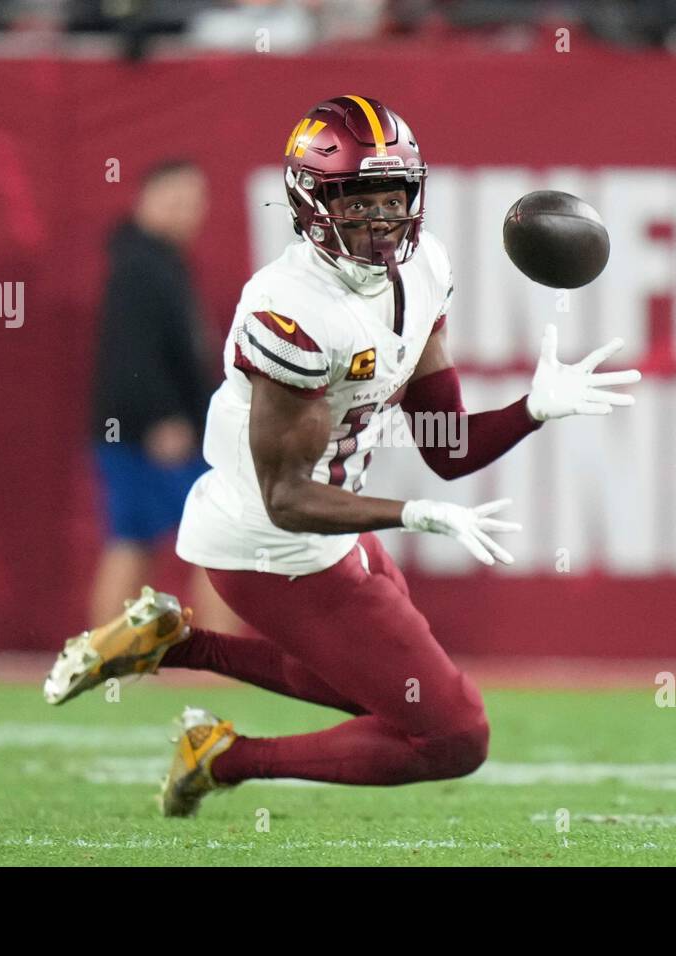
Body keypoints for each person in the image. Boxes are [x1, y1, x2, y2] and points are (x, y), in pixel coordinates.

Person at [47, 96, 639, 817]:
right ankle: (225, 756)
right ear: (311, 201)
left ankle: (173, 644)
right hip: (266, 542)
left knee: (389, 694)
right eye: (356, 199)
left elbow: (446, 448)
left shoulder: (423, 270)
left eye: (393, 196)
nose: (380, 218)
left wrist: (532, 409)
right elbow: (286, 498)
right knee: (454, 736)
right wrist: (411, 514)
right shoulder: (290, 308)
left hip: (330, 527)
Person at [87, 160, 240, 634]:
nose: (187, 211)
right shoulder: (141, 267)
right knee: (218, 540)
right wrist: (162, 418)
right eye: (175, 199)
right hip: (155, 434)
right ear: (145, 201)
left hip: (149, 431)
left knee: (134, 540)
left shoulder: (158, 263)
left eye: (194, 201)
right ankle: (224, 663)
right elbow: (131, 353)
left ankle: (102, 662)